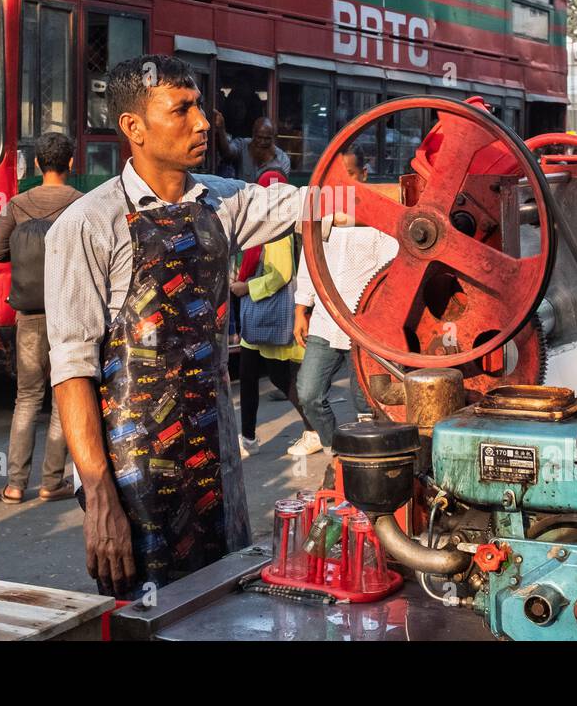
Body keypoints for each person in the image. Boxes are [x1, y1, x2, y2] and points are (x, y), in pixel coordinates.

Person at [44, 54, 340, 599]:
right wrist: (100, 496)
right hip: (137, 478)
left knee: (222, 607)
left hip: (215, 463)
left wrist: (403, 201)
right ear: (133, 127)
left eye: (199, 107)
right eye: (180, 110)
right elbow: (71, 368)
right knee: (149, 616)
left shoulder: (222, 201)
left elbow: (316, 204)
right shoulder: (85, 225)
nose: (202, 122)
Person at [0, 133, 82, 504]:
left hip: (28, 312)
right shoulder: (80, 203)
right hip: (68, 313)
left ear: (38, 164)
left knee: (26, 397)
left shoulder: (18, 204)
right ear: (70, 163)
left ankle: (13, 485)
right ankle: (50, 482)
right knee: (62, 396)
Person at [291, 145, 399, 455]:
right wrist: (302, 307)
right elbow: (310, 261)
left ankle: (369, 458)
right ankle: (334, 449)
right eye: (337, 177)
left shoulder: (379, 217)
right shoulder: (324, 213)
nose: (342, 183)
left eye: (349, 175)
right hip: (326, 319)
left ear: (364, 175)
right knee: (308, 392)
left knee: (366, 400)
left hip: (366, 324)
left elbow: (388, 274)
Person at [233, 168, 305, 457]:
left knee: (278, 376)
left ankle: (316, 429)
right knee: (252, 376)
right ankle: (248, 438)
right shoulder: (261, 224)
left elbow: (281, 274)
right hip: (258, 315)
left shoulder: (277, 226)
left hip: (267, 312)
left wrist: (245, 288)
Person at [214, 113, 291, 181]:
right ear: (253, 134)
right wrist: (221, 128)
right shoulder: (242, 145)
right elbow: (227, 153)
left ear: (274, 138)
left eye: (267, 139)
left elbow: (280, 188)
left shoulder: (283, 160)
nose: (262, 142)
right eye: (259, 137)